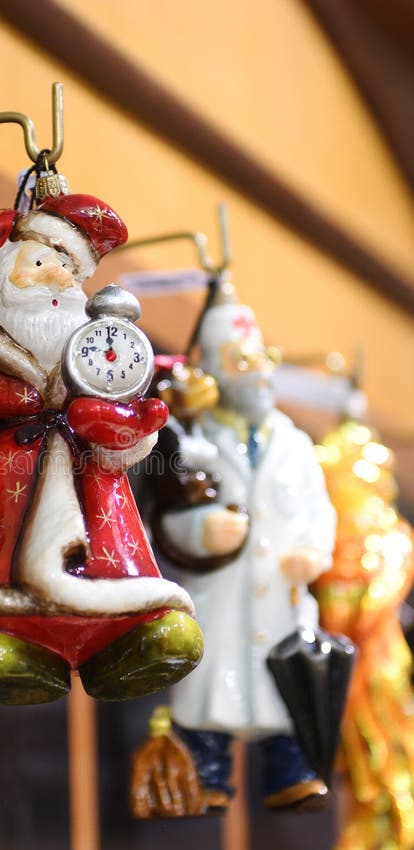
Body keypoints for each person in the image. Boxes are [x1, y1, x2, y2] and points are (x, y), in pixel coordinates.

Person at [0, 191, 202, 705]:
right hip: (12, 472)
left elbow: (127, 425)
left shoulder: (97, 353)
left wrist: (133, 427)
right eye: (40, 263)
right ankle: (12, 650)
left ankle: (126, 647)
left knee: (129, 591)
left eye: (72, 271)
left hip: (96, 486)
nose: (59, 278)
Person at [151, 279, 336, 811]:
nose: (256, 373)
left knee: (287, 694)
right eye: (240, 361)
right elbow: (166, 515)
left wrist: (314, 553)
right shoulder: (190, 440)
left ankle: (291, 772)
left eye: (261, 359)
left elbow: (320, 512)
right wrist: (201, 530)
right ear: (211, 368)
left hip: (284, 598)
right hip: (220, 593)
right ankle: (205, 772)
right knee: (210, 688)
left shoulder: (295, 444)